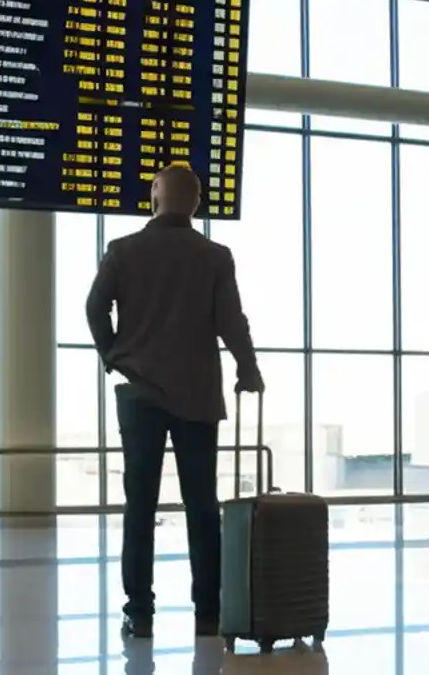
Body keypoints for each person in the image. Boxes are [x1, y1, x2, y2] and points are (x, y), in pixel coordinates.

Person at [85, 164, 264, 640]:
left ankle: (139, 612)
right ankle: (209, 610)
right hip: (197, 392)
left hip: (140, 392)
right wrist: (248, 368)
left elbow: (94, 306)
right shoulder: (214, 256)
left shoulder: (123, 250)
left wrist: (114, 354)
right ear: (196, 203)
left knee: (140, 506)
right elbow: (231, 319)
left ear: (154, 195)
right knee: (201, 504)